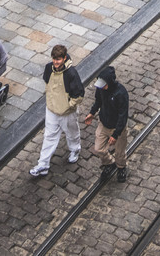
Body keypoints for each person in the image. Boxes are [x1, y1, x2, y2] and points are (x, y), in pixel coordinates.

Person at [30, 44, 85, 177]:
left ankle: (75, 149)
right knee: (49, 137)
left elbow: (79, 94)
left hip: (67, 113)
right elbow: (47, 83)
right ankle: (43, 165)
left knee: (72, 133)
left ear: (64, 58)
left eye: (58, 59)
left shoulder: (71, 73)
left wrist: (69, 106)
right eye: (54, 59)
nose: (55, 62)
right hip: (52, 110)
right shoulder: (48, 68)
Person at [84, 66, 129, 182]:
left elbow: (122, 116)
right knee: (99, 149)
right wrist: (92, 113)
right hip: (104, 123)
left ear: (110, 82)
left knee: (119, 152)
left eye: (104, 85)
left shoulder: (121, 93)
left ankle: (121, 167)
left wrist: (115, 134)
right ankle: (109, 163)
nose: (102, 87)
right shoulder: (101, 89)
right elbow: (98, 101)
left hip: (117, 127)